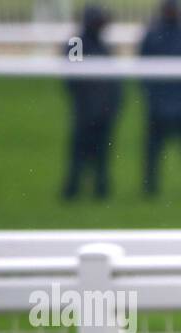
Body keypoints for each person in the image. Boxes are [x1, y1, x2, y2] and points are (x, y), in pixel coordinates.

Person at [139, 0, 181, 196]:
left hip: (178, 103)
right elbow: (143, 70)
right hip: (161, 103)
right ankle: (149, 188)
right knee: (155, 151)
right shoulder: (155, 35)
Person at [61, 5, 122, 200]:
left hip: (103, 110)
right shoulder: (77, 43)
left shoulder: (103, 45)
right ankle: (72, 191)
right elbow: (72, 78)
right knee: (79, 154)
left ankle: (100, 191)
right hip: (85, 110)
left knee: (102, 154)